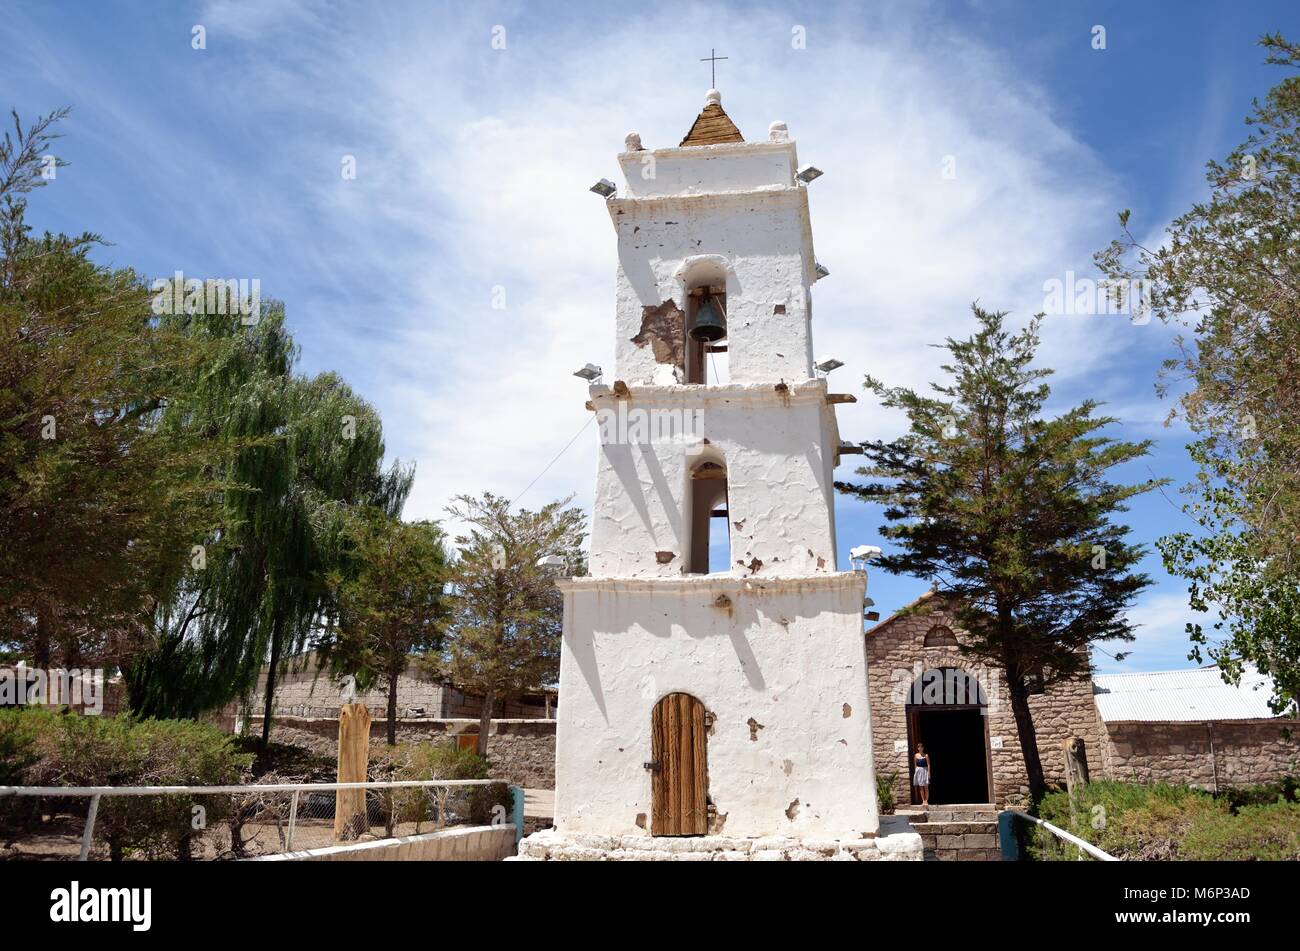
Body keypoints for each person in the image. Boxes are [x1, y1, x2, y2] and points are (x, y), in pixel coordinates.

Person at [912, 741, 932, 807]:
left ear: (923, 748)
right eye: (918, 747)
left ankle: (926, 800)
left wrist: (929, 773)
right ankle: (923, 800)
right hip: (919, 771)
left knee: (926, 786)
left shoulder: (926, 755)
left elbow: (928, 764)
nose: (920, 748)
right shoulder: (916, 755)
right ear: (917, 748)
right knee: (920, 787)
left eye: (921, 747)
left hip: (925, 770)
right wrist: (916, 773)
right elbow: (915, 764)